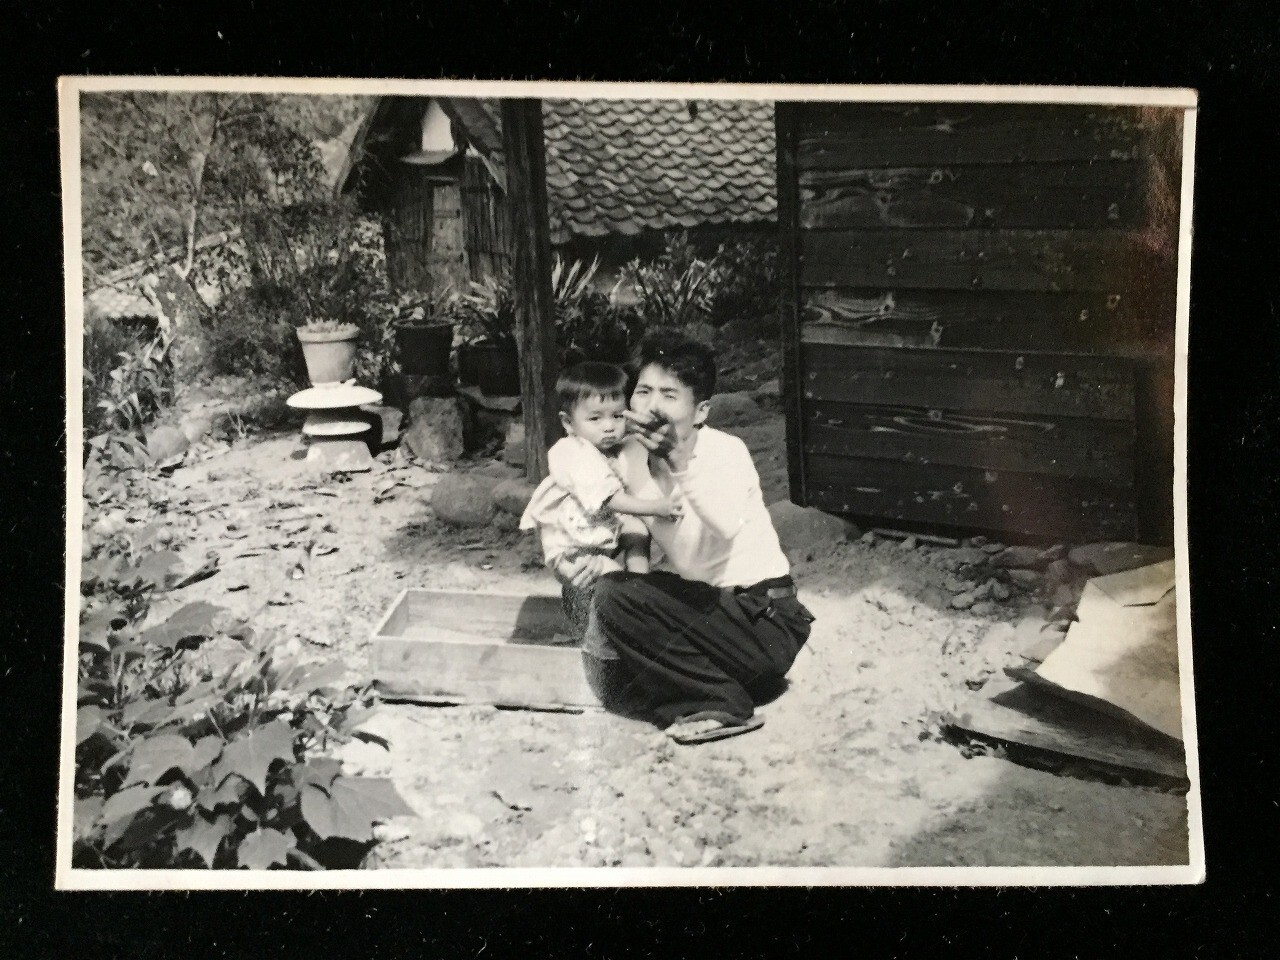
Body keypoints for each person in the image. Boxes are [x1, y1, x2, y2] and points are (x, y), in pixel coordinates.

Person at [559, 332, 816, 744]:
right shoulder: (630, 460)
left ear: (700, 412)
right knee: (610, 596)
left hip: (763, 624)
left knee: (616, 608)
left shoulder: (723, 451)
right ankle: (709, 685)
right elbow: (635, 529)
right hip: (713, 622)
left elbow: (726, 523)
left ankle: (723, 701)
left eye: (669, 394)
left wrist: (677, 459)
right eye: (642, 392)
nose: (651, 406)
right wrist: (630, 590)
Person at [520, 361, 682, 642]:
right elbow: (611, 500)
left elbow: (651, 459)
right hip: (572, 550)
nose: (609, 427)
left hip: (598, 537)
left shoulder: (619, 446)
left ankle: (640, 584)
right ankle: (633, 605)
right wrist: (657, 508)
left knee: (636, 528)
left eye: (617, 416)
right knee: (609, 579)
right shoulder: (572, 452)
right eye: (595, 419)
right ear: (568, 423)